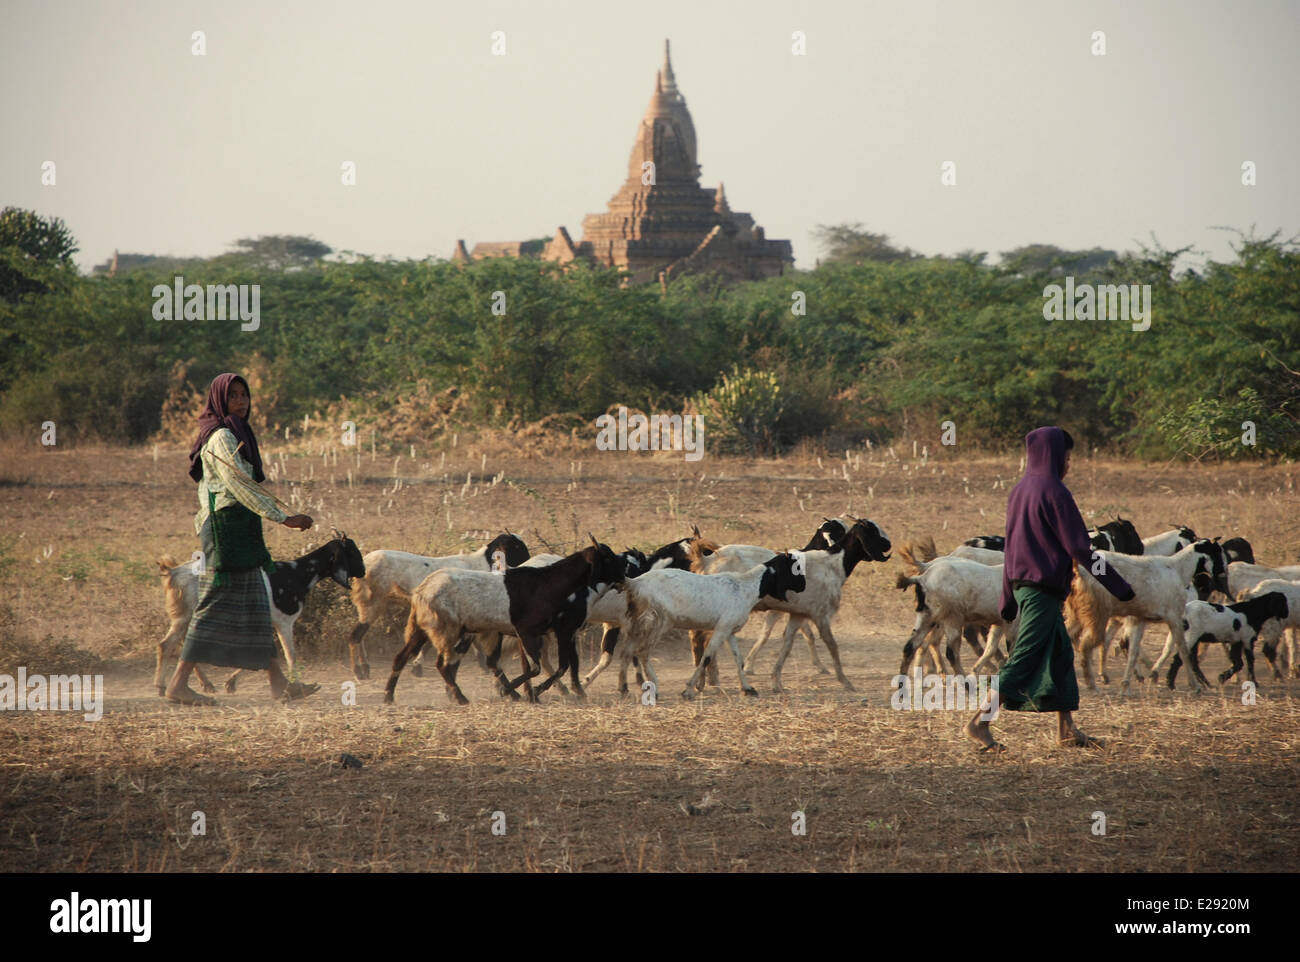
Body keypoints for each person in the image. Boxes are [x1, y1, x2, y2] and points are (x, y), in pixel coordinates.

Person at [965, 426, 1134, 752]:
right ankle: (979, 722)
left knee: (1060, 655)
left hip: (1028, 589)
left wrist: (1006, 596)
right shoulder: (1056, 493)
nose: (1069, 463)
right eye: (1067, 456)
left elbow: (1011, 548)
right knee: (1024, 658)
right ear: (1054, 456)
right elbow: (1080, 549)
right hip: (1042, 593)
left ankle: (1067, 731)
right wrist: (1118, 585)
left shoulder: (1018, 491)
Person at [165, 373, 320, 705]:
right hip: (225, 531)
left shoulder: (238, 433)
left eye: (244, 395)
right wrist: (283, 517)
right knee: (212, 606)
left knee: (256, 607)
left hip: (241, 528)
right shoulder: (221, 436)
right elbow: (240, 485)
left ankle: (279, 685)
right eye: (233, 396)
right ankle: (177, 684)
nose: (241, 401)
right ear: (220, 400)